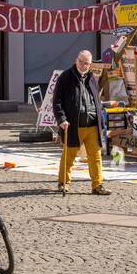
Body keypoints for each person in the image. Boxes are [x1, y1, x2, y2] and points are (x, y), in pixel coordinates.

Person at [52, 49, 109, 196]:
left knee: (95, 156)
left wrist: (100, 121)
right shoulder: (66, 77)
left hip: (92, 124)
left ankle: (98, 185)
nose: (84, 66)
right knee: (69, 155)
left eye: (87, 64)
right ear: (76, 60)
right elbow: (57, 101)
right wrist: (62, 119)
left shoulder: (91, 78)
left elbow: (96, 99)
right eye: (82, 62)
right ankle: (63, 183)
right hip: (73, 125)